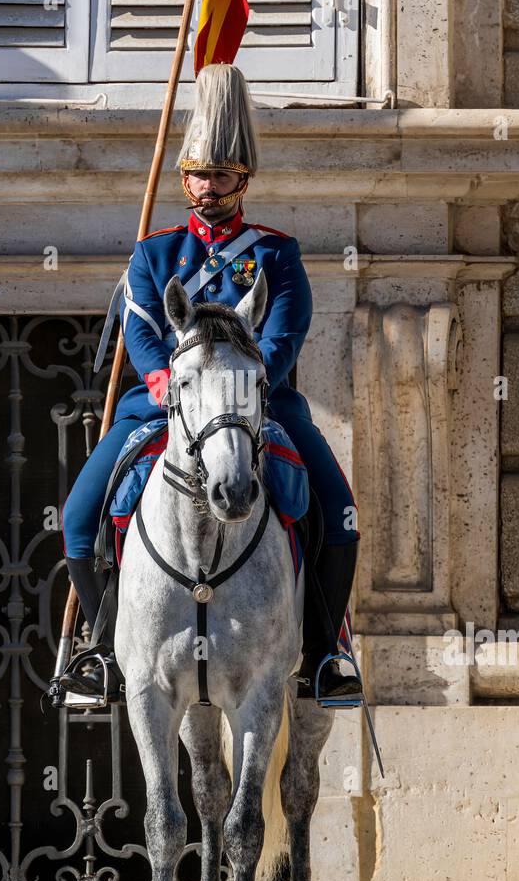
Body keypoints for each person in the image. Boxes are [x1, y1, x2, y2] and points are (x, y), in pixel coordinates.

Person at [60, 63, 360, 706]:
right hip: (161, 408)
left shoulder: (277, 254)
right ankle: (100, 651)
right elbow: (140, 332)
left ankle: (326, 654)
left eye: (222, 174)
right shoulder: (154, 253)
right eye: (197, 173)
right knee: (80, 517)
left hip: (263, 407)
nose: (208, 187)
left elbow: (283, 336)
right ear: (182, 177)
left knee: (339, 511)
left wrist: (245, 390)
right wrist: (162, 376)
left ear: (244, 178)